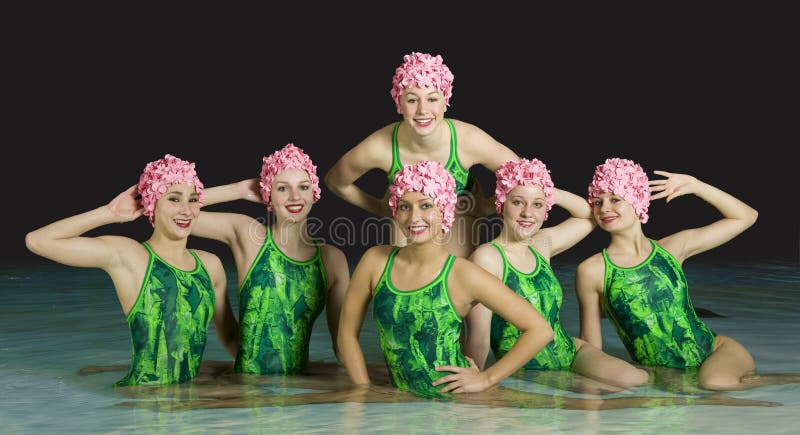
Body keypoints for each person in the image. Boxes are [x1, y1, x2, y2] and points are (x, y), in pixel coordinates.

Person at [576, 157, 799, 391]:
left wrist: (697, 186)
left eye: (615, 199)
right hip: (667, 376)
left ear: (637, 199)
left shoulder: (672, 248)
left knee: (714, 384)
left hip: (718, 352)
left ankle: (784, 381)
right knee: (701, 391)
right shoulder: (592, 270)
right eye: (597, 202)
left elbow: (747, 216)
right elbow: (591, 348)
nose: (604, 208)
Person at [25, 154, 239, 387]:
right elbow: (37, 241)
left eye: (193, 199)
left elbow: (230, 336)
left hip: (185, 394)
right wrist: (109, 213)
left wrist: (264, 372)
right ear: (152, 204)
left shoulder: (210, 265)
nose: (186, 210)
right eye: (174, 199)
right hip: (146, 397)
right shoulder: (132, 256)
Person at [465, 158, 649, 393]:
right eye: (518, 202)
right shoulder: (488, 258)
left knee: (636, 380)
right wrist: (476, 379)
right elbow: (479, 337)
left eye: (538, 205)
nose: (527, 213)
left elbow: (588, 215)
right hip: (526, 367)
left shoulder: (540, 244)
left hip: (571, 352)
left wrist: (546, 190)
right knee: (589, 400)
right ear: (502, 203)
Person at [324, 51, 519, 258]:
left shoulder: (468, 140)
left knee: (454, 269)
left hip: (459, 208)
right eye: (412, 100)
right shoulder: (379, 146)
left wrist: (485, 207)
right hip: (411, 211)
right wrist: (380, 208)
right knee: (405, 267)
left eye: (432, 98)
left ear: (445, 100)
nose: (422, 110)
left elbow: (522, 175)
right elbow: (335, 182)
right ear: (399, 103)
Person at [190, 143, 350, 375]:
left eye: (303, 187)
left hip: (299, 389)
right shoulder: (249, 236)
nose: (295, 197)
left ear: (314, 193)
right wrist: (239, 190)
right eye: (283, 188)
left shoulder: (332, 260)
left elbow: (342, 347)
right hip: (245, 390)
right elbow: (169, 211)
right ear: (268, 195)